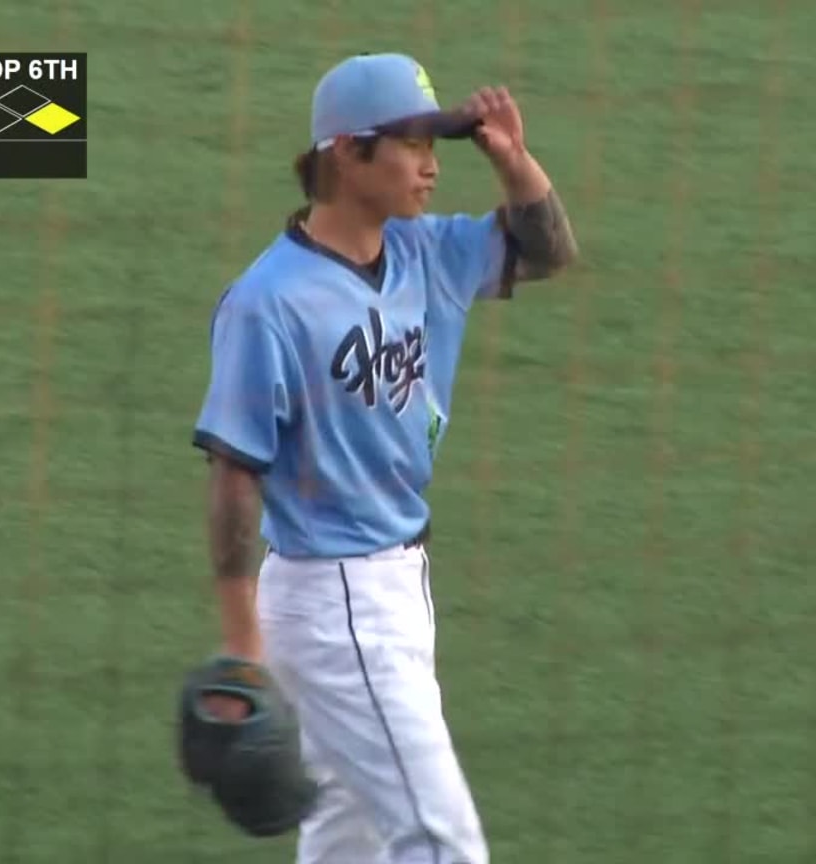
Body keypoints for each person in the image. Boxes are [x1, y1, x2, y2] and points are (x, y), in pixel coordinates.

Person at [189, 52, 578, 864]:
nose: (432, 164)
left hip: (398, 590)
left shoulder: (425, 254)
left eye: (436, 141)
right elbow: (233, 477)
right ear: (346, 153)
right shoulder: (269, 302)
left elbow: (547, 250)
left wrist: (510, 159)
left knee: (347, 839)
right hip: (336, 602)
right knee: (441, 843)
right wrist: (240, 648)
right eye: (410, 143)